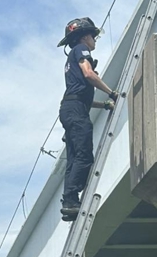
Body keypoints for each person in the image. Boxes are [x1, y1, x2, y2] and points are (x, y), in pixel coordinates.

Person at [57, 16, 118, 222]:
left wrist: (104, 105)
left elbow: (81, 97)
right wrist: (112, 93)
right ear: (84, 37)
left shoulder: (71, 58)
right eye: (93, 36)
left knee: (74, 159)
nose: (94, 40)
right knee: (84, 157)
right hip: (75, 111)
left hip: (70, 108)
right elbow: (89, 74)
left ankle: (69, 203)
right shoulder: (81, 50)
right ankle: (71, 197)